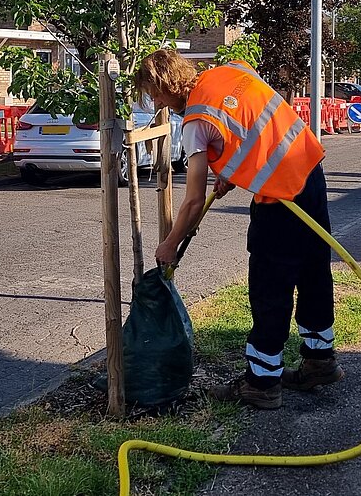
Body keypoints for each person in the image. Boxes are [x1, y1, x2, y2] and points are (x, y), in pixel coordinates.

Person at [135, 49, 343, 410]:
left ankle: (262, 383)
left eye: (155, 93)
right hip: (310, 173)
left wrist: (170, 243)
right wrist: (231, 171)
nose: (157, 103)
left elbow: (193, 200)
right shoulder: (230, 70)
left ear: (167, 84)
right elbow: (254, 125)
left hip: (281, 199)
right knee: (313, 273)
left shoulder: (196, 122)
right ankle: (319, 362)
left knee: (269, 287)